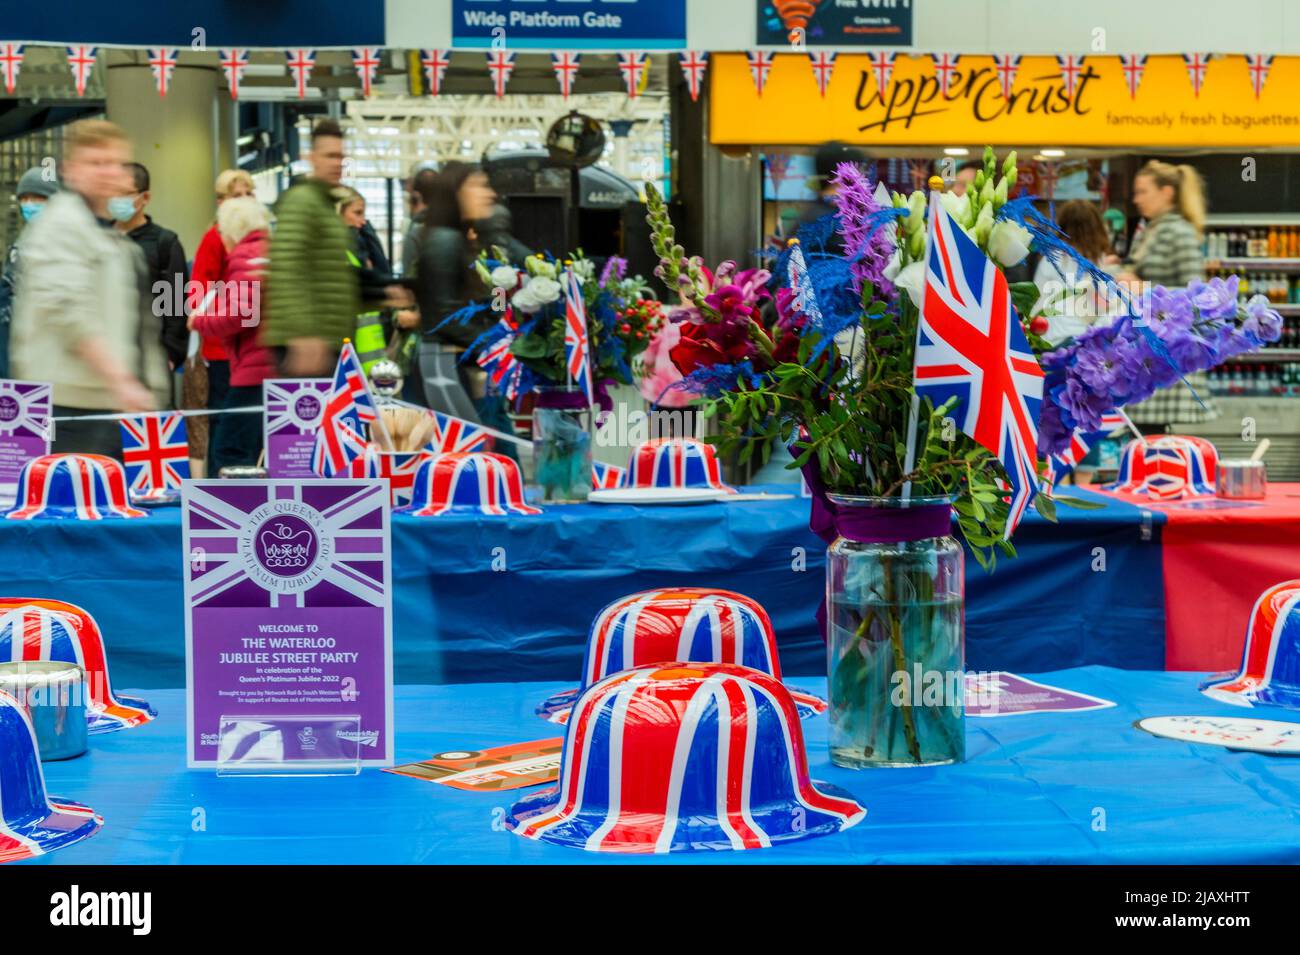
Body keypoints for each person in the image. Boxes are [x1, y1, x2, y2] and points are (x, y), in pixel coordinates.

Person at [11, 120, 164, 455]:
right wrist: (122, 381)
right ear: (71, 171)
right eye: (95, 163)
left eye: (114, 163)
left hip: (113, 404)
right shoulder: (61, 226)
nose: (107, 172)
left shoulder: (108, 233)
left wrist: (148, 384)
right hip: (72, 407)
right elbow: (69, 312)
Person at [1117, 160, 1212, 434]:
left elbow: (1197, 295)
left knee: (1151, 435)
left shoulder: (1179, 232)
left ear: (1166, 192)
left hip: (1167, 352)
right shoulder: (1151, 230)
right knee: (1147, 434)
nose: (1136, 200)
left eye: (1143, 191)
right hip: (1148, 349)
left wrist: (1144, 289)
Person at [262, 118, 360, 376]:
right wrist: (302, 333)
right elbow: (287, 266)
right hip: (306, 343)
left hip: (325, 338)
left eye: (341, 156)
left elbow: (329, 276)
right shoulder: (302, 201)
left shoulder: (324, 204)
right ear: (312, 158)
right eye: (330, 156)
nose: (337, 163)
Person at [188, 197, 273, 470]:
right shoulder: (270, 251)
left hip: (255, 369)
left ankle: (235, 499)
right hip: (277, 365)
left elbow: (243, 313)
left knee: (229, 451)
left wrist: (201, 321)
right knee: (264, 449)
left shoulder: (244, 256)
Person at [412, 162, 496, 421]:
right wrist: (493, 344)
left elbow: (488, 297)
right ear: (456, 192)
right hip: (444, 361)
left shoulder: (462, 240)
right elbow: (445, 315)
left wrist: (501, 301)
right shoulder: (445, 240)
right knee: (467, 440)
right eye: (479, 186)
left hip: (455, 360)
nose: (489, 194)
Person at [116, 162, 189, 371]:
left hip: (150, 357)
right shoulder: (99, 238)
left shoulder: (164, 243)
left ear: (145, 197)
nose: (116, 200)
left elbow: (175, 304)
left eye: (124, 194)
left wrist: (171, 354)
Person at [336, 187, 415, 375]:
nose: (363, 221)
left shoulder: (355, 250)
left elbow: (380, 271)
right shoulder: (337, 253)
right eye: (357, 213)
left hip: (363, 350)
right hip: (348, 351)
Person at [1032, 199, 1122, 344]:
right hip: (1092, 340)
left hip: (1053, 339)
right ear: (1098, 227)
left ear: (1062, 227)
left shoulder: (1051, 260)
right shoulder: (1106, 262)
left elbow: (1036, 304)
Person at [0, 167, 58, 378]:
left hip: (51, 349)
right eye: (24, 199)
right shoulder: (21, 244)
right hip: (17, 346)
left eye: (37, 198)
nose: (29, 204)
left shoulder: (67, 245)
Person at [401, 163, 439, 278]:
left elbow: (408, 276)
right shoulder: (454, 228)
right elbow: (472, 266)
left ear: (416, 196)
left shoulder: (416, 233)